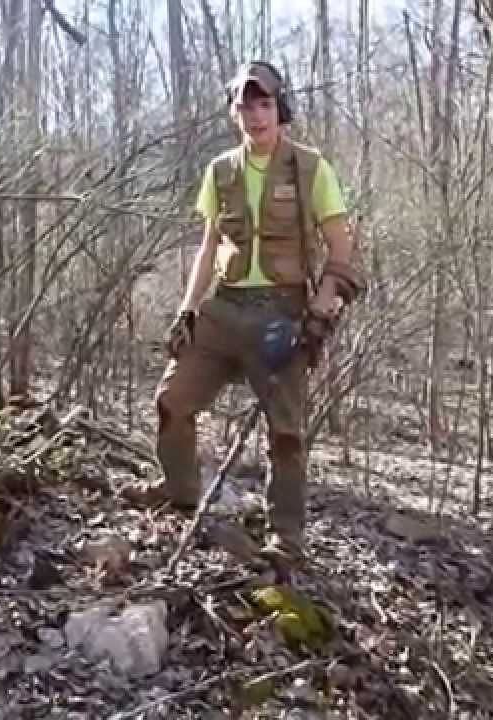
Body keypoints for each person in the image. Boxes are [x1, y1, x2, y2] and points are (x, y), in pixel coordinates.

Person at [141, 60, 366, 562]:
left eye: (264, 105)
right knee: (172, 401)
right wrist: (187, 309)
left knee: (285, 434)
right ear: (233, 113)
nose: (255, 116)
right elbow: (207, 246)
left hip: (282, 312)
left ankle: (286, 536)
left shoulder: (311, 168)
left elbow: (342, 253)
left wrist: (321, 310)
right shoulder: (220, 171)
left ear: (280, 110)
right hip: (224, 307)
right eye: (244, 106)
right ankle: (178, 490)